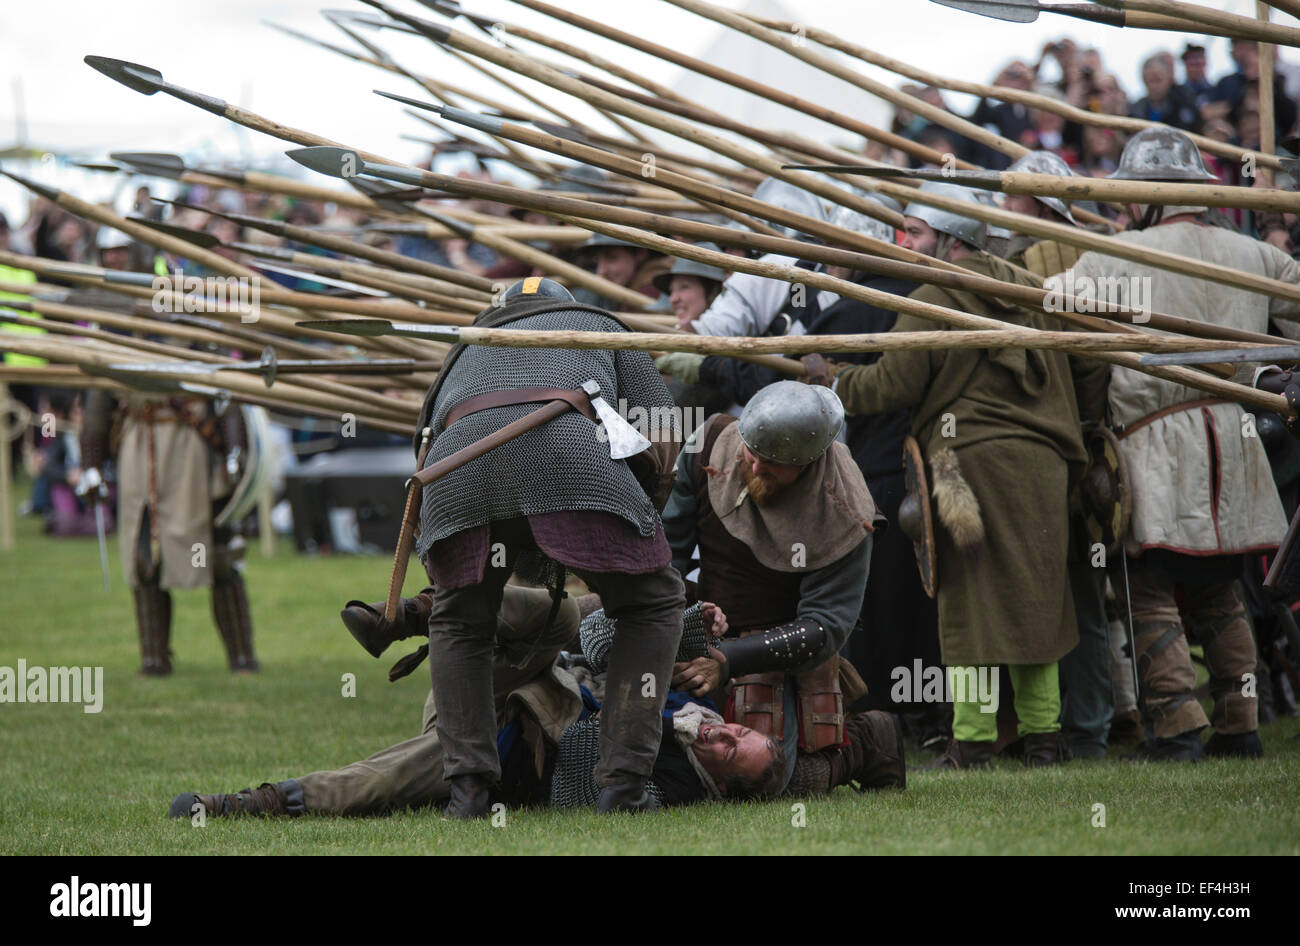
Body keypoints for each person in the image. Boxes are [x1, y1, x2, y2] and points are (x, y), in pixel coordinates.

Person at [168, 586, 904, 818]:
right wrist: (683, 620)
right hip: (516, 683)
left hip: (498, 750)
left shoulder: (672, 783)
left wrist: (642, 665)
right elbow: (597, 635)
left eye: (727, 760)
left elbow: (595, 766)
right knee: (560, 607)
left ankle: (252, 804)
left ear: (726, 784)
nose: (719, 742)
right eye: (731, 738)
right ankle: (420, 612)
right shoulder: (694, 709)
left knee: (388, 778)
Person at [824, 182, 1089, 769]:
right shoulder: (1028, 290)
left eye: (916, 233)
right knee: (1036, 598)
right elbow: (1088, 362)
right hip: (1044, 463)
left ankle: (972, 741)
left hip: (967, 462)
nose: (905, 242)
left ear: (951, 240)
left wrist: (835, 381)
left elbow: (892, 384)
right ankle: (1043, 739)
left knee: (970, 602)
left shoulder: (933, 293)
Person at [1064, 127, 1300, 760]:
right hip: (1237, 434)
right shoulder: (1255, 254)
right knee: (1220, 591)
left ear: (1148, 196)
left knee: (1150, 590)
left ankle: (1175, 729)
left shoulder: (1111, 257)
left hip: (1156, 443)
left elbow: (1050, 314)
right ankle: (1239, 723)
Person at [411, 276, 684, 817]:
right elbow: (662, 430)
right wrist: (640, 509)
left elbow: (424, 439)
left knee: (459, 621)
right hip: (569, 458)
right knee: (652, 604)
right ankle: (623, 789)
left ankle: (468, 794)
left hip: (459, 470)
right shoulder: (602, 326)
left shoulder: (464, 348)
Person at [660, 381, 889, 792]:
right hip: (698, 626)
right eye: (752, 452)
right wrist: (668, 627)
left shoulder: (848, 511)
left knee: (766, 778)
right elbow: (667, 551)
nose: (757, 466)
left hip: (778, 656)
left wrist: (727, 660)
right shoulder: (710, 441)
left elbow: (824, 627)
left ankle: (869, 743)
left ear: (811, 459)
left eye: (774, 461)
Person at [1000, 150, 1115, 759]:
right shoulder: (1064, 256)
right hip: (1069, 446)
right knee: (1077, 595)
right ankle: (1087, 725)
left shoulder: (1047, 262)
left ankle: (1088, 729)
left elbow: (1088, 359)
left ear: (1040, 203)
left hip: (1063, 453)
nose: (1002, 205)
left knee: (1079, 595)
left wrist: (1080, 430)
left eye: (1013, 195)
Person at [79, 381, 256, 675]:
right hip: (140, 445)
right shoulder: (117, 333)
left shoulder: (204, 334)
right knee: (144, 555)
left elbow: (226, 388)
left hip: (196, 447)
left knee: (220, 556)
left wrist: (235, 450)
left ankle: (241, 657)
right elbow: (99, 394)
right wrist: (91, 463)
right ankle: (154, 658)